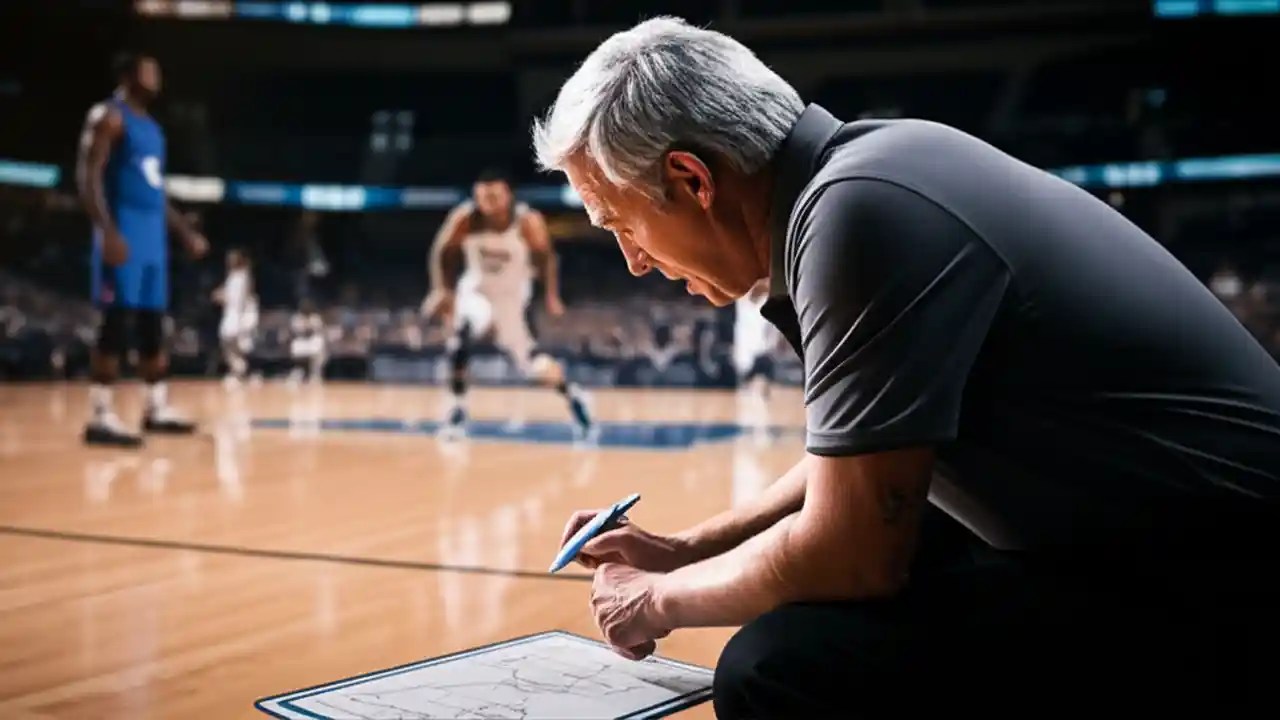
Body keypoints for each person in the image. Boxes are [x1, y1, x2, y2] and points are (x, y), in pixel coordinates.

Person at [535, 17, 1280, 715]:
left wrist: (654, 600)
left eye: (621, 224)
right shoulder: (874, 171)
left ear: (694, 180)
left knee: (778, 666)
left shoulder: (860, 216)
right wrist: (687, 549)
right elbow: (864, 460)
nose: (632, 262)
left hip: (1214, 589)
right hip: (1176, 540)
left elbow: (854, 551)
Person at [78, 52, 208, 447]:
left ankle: (155, 408)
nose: (157, 77)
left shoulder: (152, 129)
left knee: (153, 325)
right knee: (115, 322)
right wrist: (107, 231)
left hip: (153, 239)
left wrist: (184, 232)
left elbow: (156, 191)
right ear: (127, 75)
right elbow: (87, 174)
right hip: (124, 232)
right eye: (149, 70)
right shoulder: (108, 116)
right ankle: (100, 415)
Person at [421, 168, 593, 437]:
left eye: (495, 196)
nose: (489, 202)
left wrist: (551, 295)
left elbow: (547, 259)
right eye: (483, 196)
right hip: (476, 290)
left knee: (533, 366)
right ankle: (456, 408)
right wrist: (441, 289)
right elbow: (442, 250)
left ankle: (573, 395)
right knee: (463, 331)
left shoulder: (527, 221)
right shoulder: (466, 218)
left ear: (508, 195)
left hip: (511, 299)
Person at [214, 248, 257, 387]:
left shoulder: (244, 275)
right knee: (226, 341)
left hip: (238, 315)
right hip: (229, 313)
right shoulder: (231, 276)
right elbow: (228, 295)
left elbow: (244, 296)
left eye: (232, 258)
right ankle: (240, 371)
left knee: (234, 342)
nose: (229, 261)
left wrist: (246, 316)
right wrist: (220, 295)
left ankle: (239, 374)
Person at [732, 278, 779, 398]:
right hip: (748, 350)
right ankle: (751, 386)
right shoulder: (743, 301)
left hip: (763, 349)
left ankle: (760, 386)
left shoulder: (768, 302)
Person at [287, 299, 326, 385]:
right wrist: (307, 327)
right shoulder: (296, 318)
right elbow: (298, 331)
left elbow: (316, 330)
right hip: (300, 342)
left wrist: (308, 326)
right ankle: (297, 372)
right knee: (295, 346)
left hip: (312, 342)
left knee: (319, 344)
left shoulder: (316, 318)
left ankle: (315, 374)